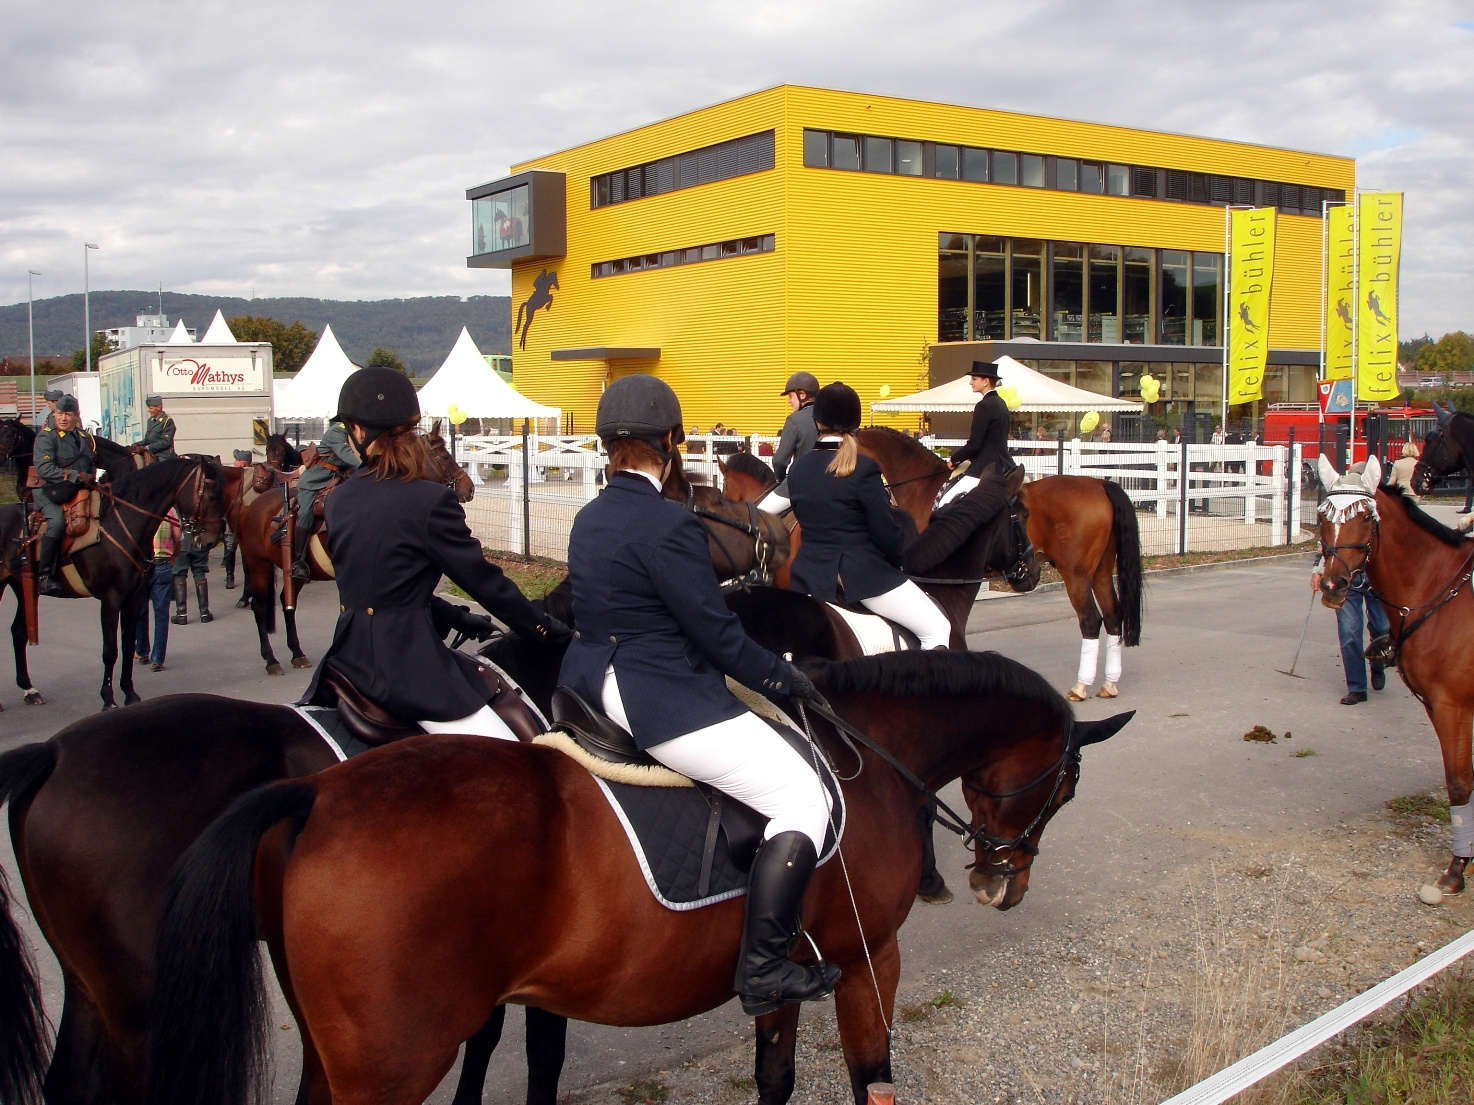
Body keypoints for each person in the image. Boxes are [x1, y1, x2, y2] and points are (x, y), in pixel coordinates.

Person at [559, 374, 840, 1016]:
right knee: (801, 793)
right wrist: (783, 677)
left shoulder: (588, 517)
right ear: (674, 442)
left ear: (608, 446)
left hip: (585, 681)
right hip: (655, 695)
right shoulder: (670, 524)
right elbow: (715, 635)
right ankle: (765, 966)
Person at [300, 367, 570, 737]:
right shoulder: (429, 501)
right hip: (405, 668)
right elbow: (484, 582)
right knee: (515, 749)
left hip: (347, 659)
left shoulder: (338, 499)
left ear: (358, 432)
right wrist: (541, 627)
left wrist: (457, 616)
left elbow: (380, 587)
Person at [787, 382, 952, 650]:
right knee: (937, 629)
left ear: (817, 421)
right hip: (860, 574)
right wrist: (898, 560)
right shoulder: (863, 468)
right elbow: (883, 529)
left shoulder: (799, 468)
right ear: (855, 423)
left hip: (810, 575)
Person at [1311, 463, 1389, 705]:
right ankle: (1356, 686)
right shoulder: (1341, 508)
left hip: (1374, 575)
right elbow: (1327, 542)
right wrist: (1318, 568)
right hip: (1346, 574)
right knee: (1349, 633)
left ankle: (1378, 663)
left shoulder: (1372, 509)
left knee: (1382, 627)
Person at [32, 395, 97, 596]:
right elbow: (44, 468)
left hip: (79, 492)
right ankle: (45, 576)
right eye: (60, 413)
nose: (63, 418)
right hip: (51, 492)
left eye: (68, 414)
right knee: (57, 522)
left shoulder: (85, 438)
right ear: (54, 414)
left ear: (76, 416)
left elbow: (90, 464)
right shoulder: (47, 437)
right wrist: (75, 475)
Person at [291, 418, 361, 581]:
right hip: (316, 480)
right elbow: (349, 457)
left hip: (339, 478)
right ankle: (299, 561)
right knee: (306, 512)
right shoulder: (337, 432)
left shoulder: (358, 432)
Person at [936, 361, 1011, 508]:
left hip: (984, 467)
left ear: (986, 381)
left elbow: (975, 444)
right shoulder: (1001, 403)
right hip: (1004, 464)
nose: (971, 382)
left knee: (945, 503)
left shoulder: (984, 406)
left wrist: (954, 460)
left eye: (974, 379)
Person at [759, 371, 819, 514]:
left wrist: (779, 478)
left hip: (801, 484)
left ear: (802, 395)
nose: (789, 401)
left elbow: (780, 460)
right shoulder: (830, 416)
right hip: (832, 484)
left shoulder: (794, 420)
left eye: (791, 396)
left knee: (759, 516)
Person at [135, 511, 181, 671]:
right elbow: (178, 539)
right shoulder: (169, 511)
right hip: (163, 564)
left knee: (140, 611)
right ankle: (158, 659)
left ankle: (142, 651)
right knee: (161, 614)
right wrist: (172, 557)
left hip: (143, 565)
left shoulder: (141, 506)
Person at [221, 448, 251, 590]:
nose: (234, 462)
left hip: (243, 519)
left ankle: (230, 577)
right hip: (233, 517)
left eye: (237, 460)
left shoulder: (250, 476)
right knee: (229, 547)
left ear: (243, 463)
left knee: (232, 547)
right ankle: (229, 576)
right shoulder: (232, 476)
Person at [171, 528, 212, 625]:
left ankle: (181, 614)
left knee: (179, 574)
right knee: (200, 572)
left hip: (182, 539)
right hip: (199, 538)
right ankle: (204, 612)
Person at [135, 396, 177, 460]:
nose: (148, 410)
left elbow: (165, 442)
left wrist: (147, 448)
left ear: (158, 407)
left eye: (150, 408)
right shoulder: (150, 421)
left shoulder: (167, 421)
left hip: (163, 455)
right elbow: (147, 439)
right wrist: (136, 444)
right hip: (151, 453)